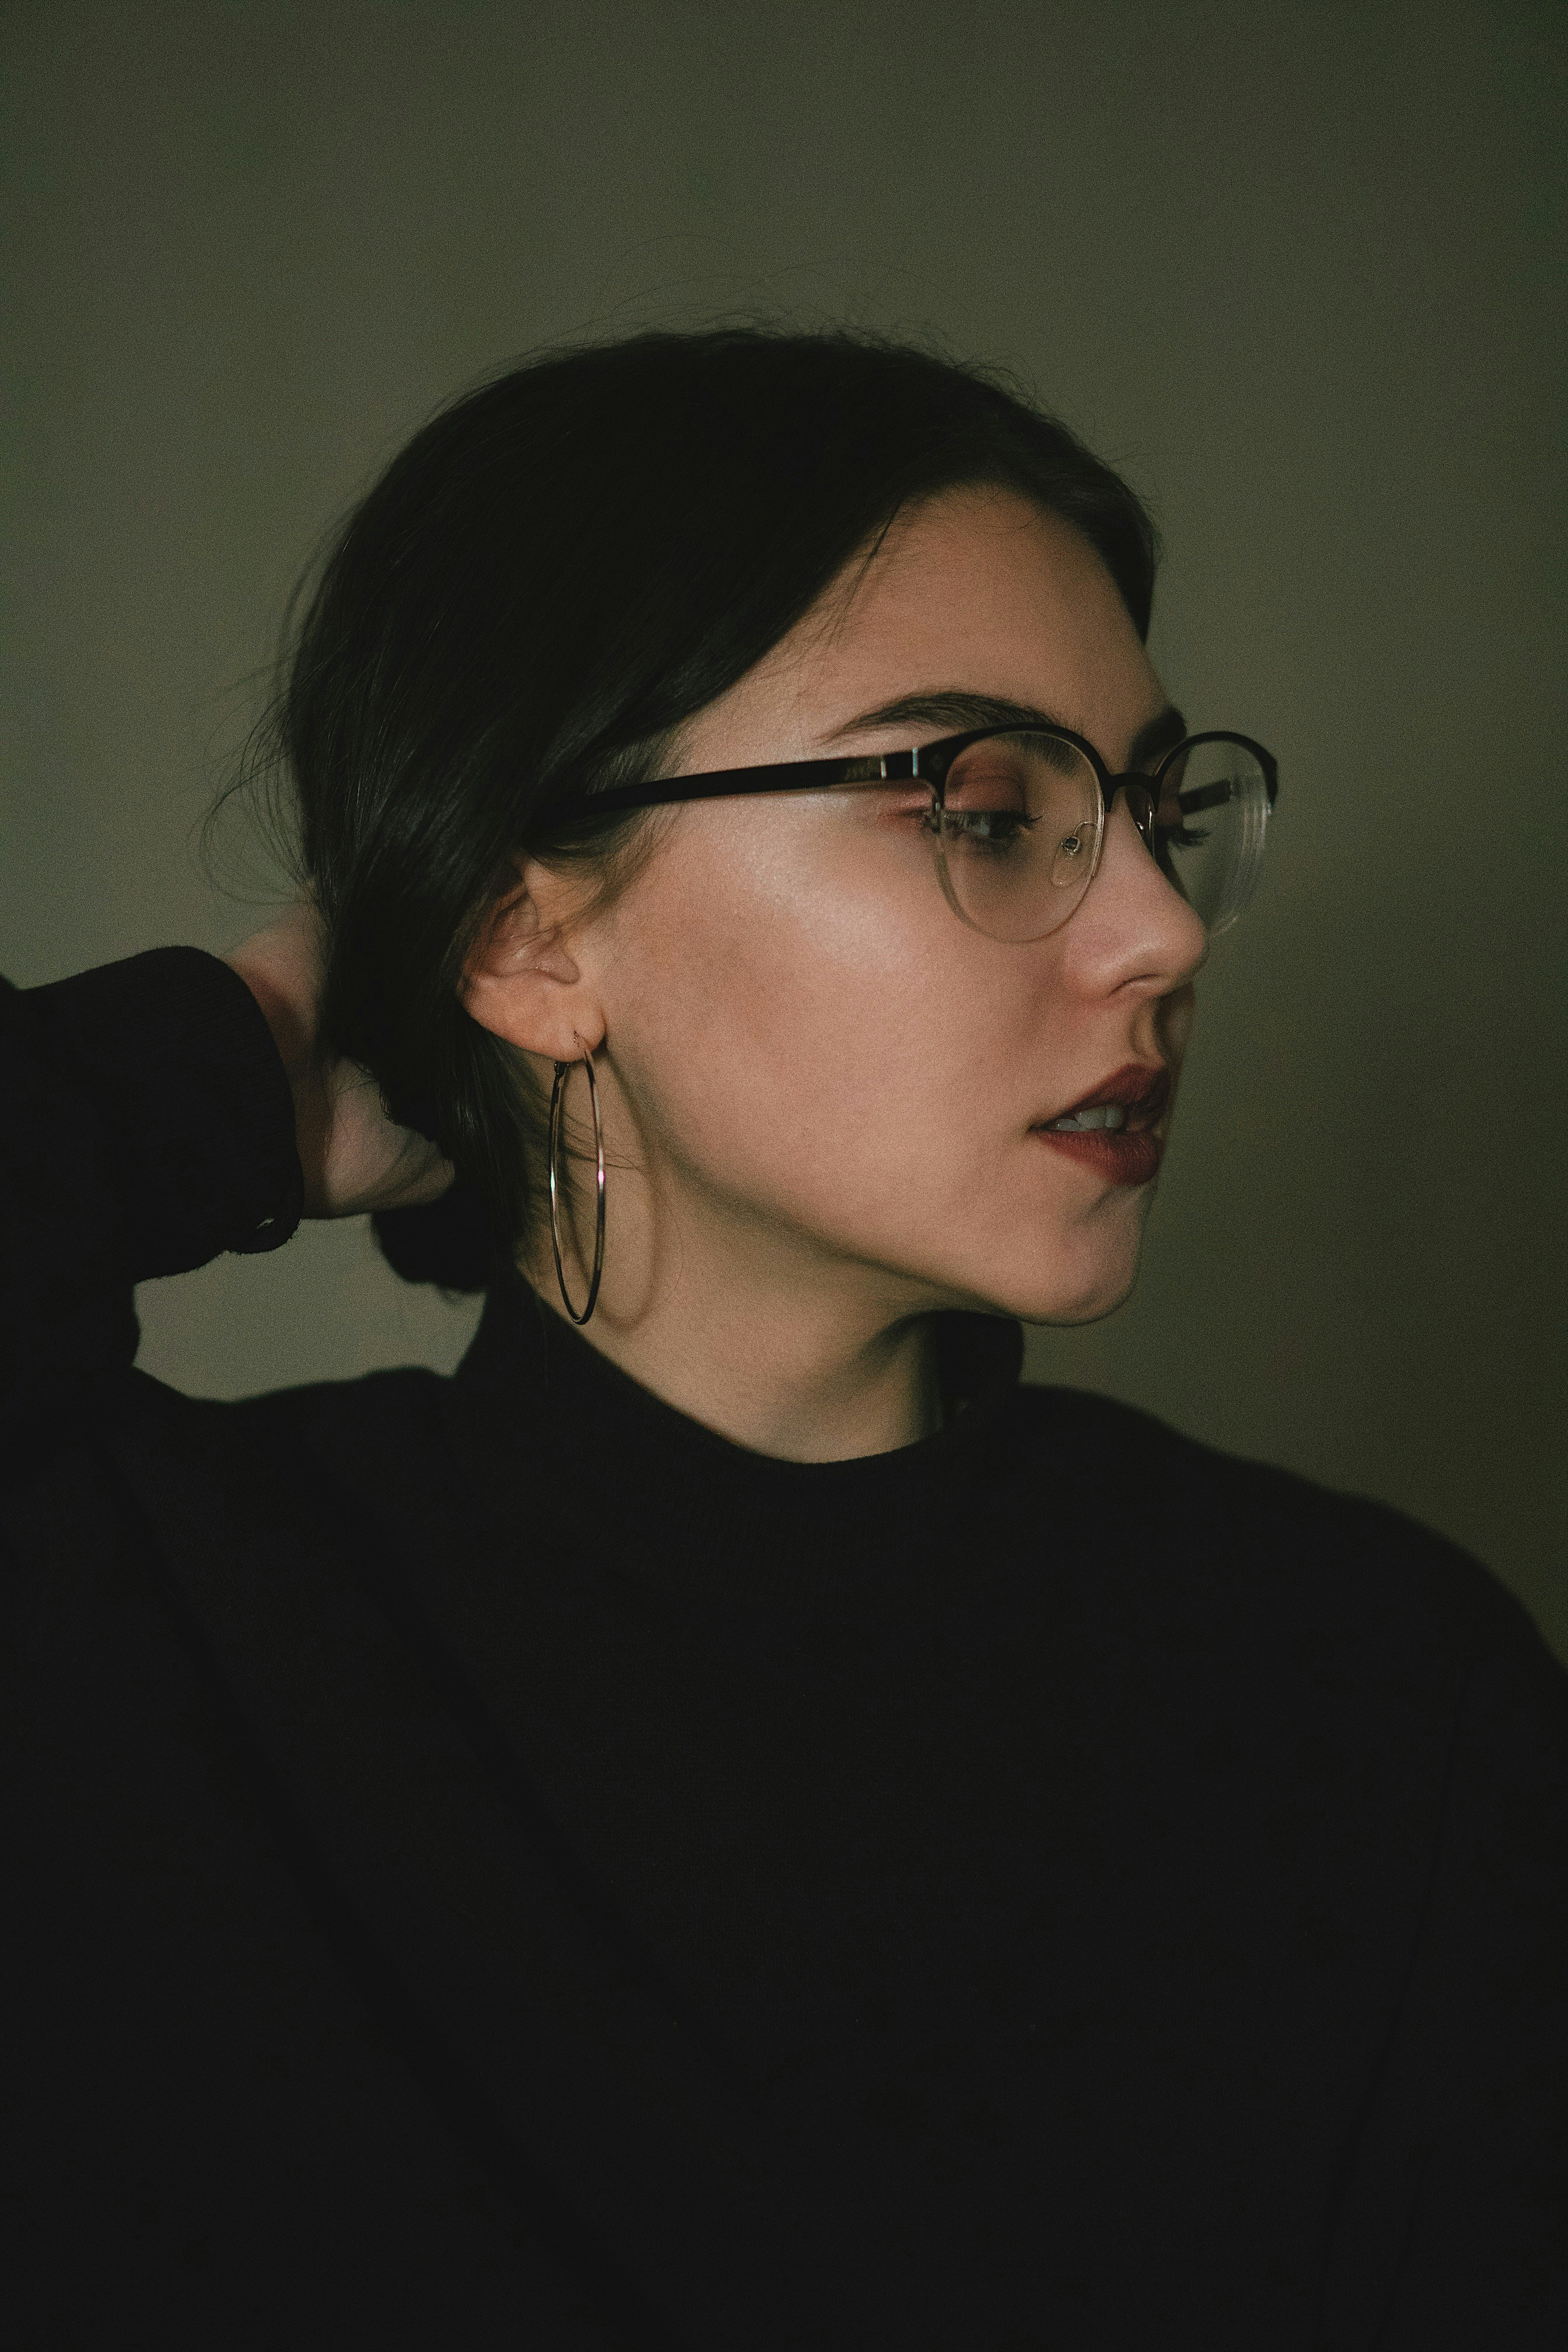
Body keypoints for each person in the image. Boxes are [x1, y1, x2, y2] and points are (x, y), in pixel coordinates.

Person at [2, 327, 1563, 2350]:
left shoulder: (1373, 1700)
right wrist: (225, 1061)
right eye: (987, 806)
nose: (1164, 928)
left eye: (1159, 810)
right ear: (528, 936)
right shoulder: (147, 1632)